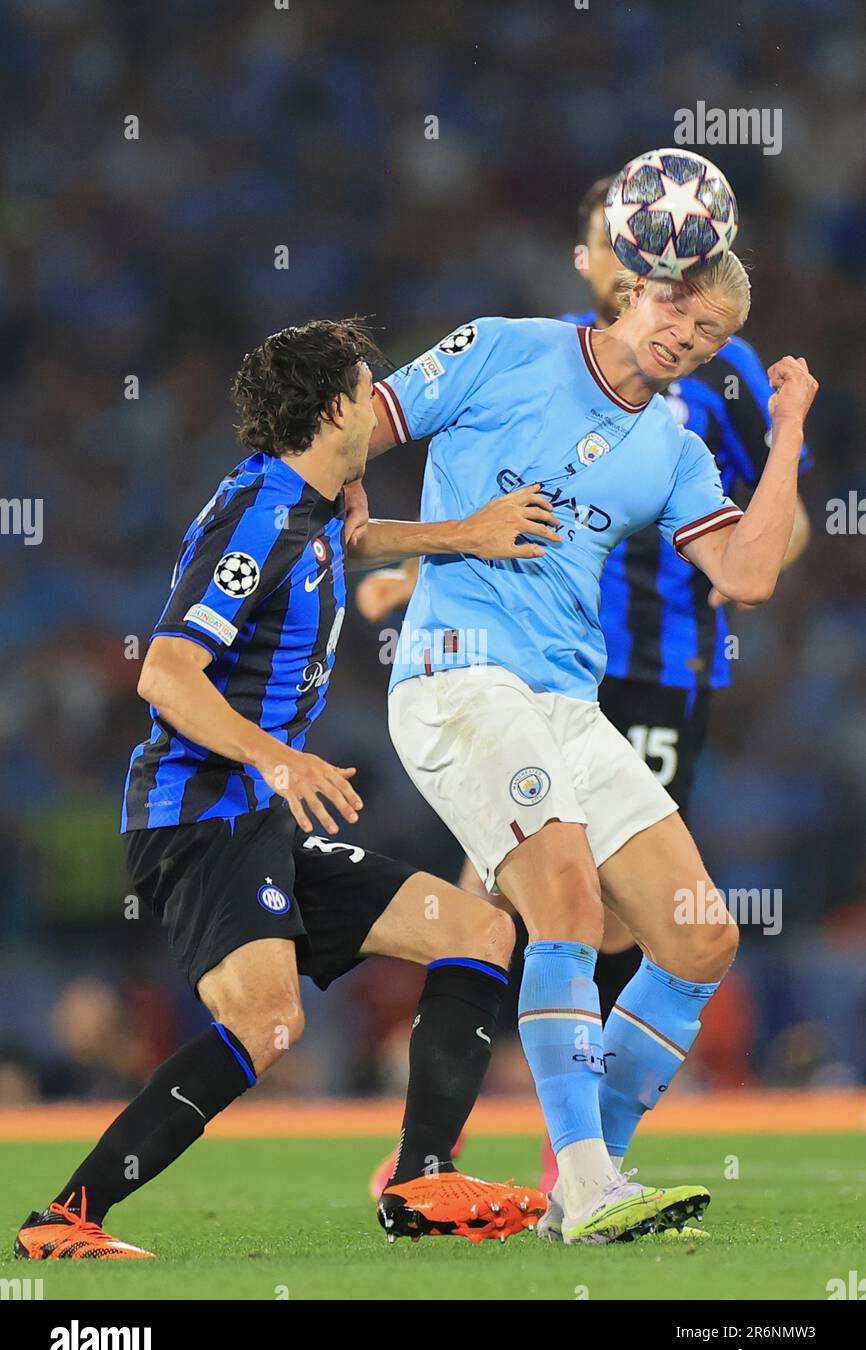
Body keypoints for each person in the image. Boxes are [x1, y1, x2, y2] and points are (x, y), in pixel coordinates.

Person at [14, 317, 563, 1260]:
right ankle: (65, 1220)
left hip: (260, 816)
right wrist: (277, 756)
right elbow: (168, 674)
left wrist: (463, 536)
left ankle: (421, 1181)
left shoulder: (302, 507)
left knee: (481, 930)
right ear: (336, 407)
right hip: (202, 813)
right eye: (369, 385)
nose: (383, 399)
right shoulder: (260, 512)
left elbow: (343, 541)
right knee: (269, 1022)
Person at [358, 176, 811, 1207]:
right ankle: (585, 1183)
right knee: (559, 897)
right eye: (678, 313)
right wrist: (418, 536)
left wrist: (784, 433)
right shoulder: (505, 348)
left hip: (565, 701)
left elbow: (744, 573)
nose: (686, 340)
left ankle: (578, 1176)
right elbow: (359, 434)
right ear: (635, 285)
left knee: (699, 932)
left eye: (707, 335)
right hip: (457, 675)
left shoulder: (671, 446)